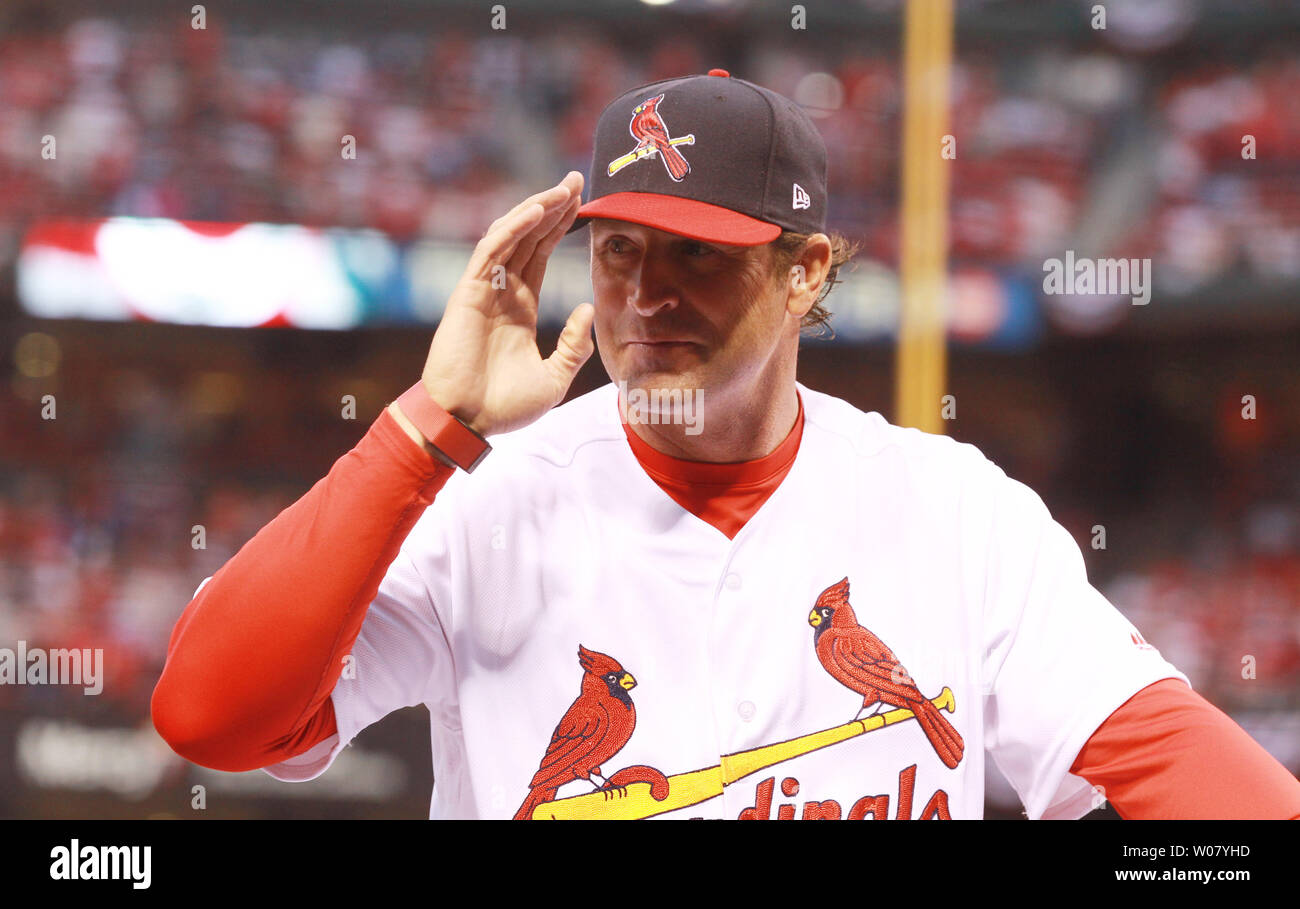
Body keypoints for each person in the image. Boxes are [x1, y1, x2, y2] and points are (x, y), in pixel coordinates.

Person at [152, 70, 1300, 819]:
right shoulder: (484, 499)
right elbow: (211, 717)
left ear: (804, 273)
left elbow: (1221, 798)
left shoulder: (957, 515)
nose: (646, 295)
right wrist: (426, 427)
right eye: (618, 251)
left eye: (698, 254)